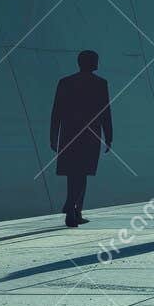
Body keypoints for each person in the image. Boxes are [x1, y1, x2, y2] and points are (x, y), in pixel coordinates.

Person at [49, 49, 112, 228]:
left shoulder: (65, 82)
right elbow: (105, 112)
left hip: (69, 133)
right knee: (83, 173)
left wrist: (53, 136)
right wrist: (109, 136)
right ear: (91, 62)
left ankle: (74, 211)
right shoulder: (100, 83)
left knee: (73, 173)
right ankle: (72, 207)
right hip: (90, 134)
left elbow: (56, 112)